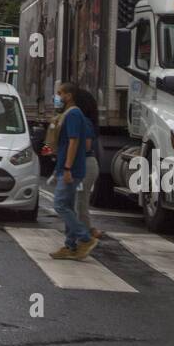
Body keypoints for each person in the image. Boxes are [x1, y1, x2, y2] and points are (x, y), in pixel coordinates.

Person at [50, 81, 97, 260]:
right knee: (68, 206)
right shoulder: (68, 114)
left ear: (68, 96)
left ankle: (85, 238)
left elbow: (74, 141)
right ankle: (70, 246)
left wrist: (68, 168)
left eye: (60, 93)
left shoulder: (74, 114)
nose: (57, 97)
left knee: (60, 205)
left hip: (72, 169)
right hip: (66, 167)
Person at [73, 86, 104, 243]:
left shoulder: (84, 122)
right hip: (84, 165)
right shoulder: (83, 120)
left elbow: (85, 146)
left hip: (85, 166)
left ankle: (84, 236)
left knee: (80, 202)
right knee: (78, 202)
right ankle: (86, 230)